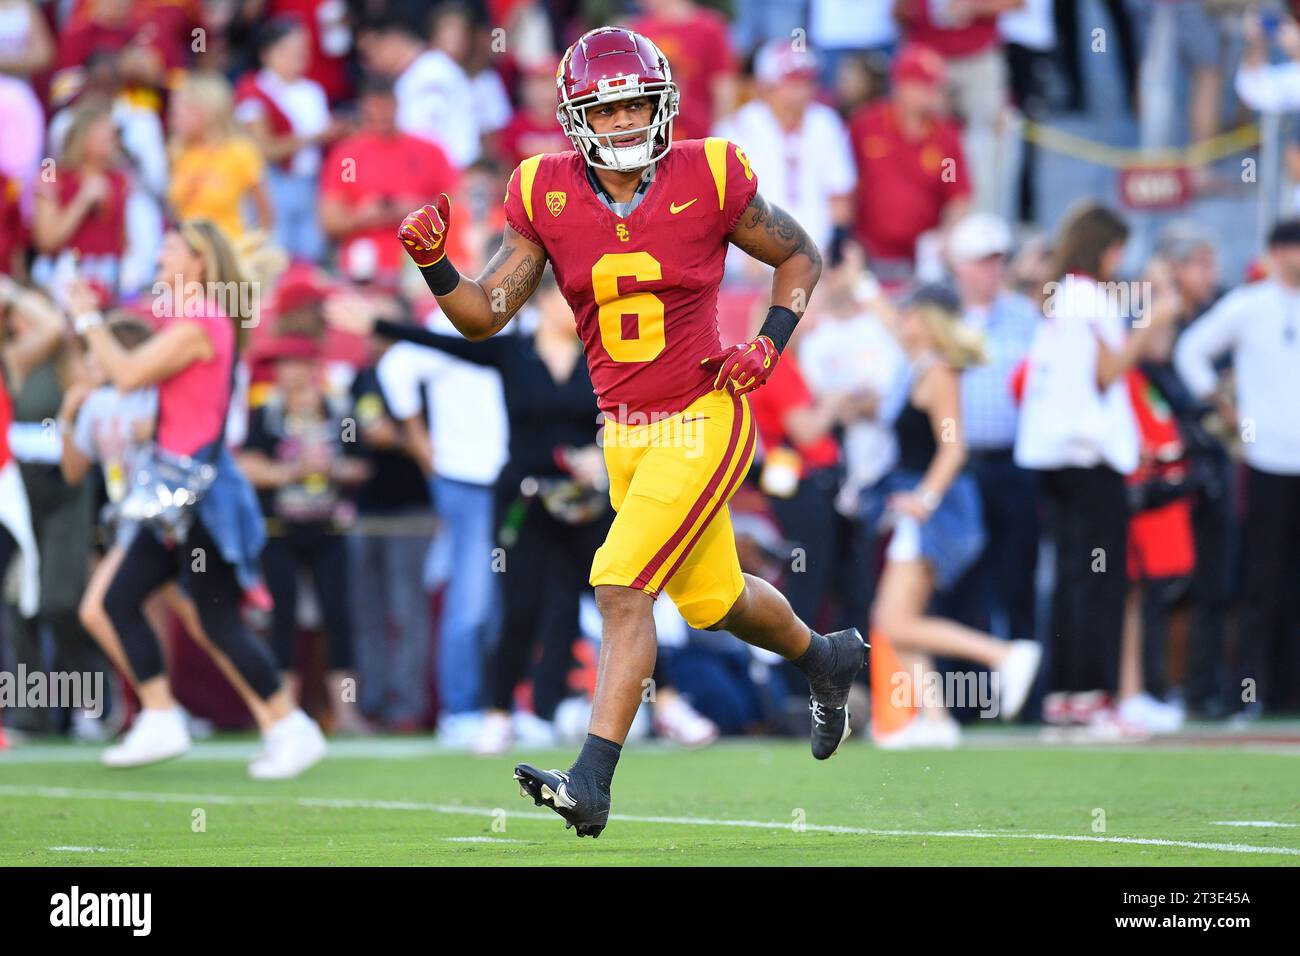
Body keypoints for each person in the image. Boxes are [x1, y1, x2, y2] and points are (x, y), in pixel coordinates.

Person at [395, 26, 863, 837]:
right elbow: (483, 314)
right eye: (605, 112)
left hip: (704, 413)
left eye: (635, 106)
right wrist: (436, 263)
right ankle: (826, 657)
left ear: (663, 104)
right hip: (624, 432)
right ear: (577, 118)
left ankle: (593, 781)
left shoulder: (710, 173)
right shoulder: (542, 191)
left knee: (618, 583)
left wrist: (768, 342)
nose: (621, 124)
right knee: (716, 601)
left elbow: (801, 257)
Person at [72, 220, 326, 777]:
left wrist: (87, 317)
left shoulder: (203, 322)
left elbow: (129, 372)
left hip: (198, 497)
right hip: (174, 496)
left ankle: (270, 725)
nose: (159, 256)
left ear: (198, 263)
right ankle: (249, 724)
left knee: (207, 619)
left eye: (170, 250)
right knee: (159, 609)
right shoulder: (190, 319)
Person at [59, 314, 276, 737]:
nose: (89, 364)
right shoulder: (98, 404)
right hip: (134, 523)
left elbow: (190, 431)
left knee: (203, 620)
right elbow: (73, 472)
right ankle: (165, 710)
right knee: (114, 609)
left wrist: (151, 431)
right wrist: (67, 419)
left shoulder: (154, 393)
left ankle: (263, 711)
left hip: (169, 516)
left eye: (95, 355)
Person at [1015, 202, 1174, 736]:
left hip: (1050, 455)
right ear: (1108, 248)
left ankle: (1064, 696)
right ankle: (1094, 698)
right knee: (1099, 580)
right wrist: (1152, 321)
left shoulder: (1058, 295)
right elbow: (1109, 373)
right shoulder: (1091, 296)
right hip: (1090, 455)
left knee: (1067, 578)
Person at [868, 285, 1040, 748]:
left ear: (926, 320)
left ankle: (1004, 654)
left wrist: (924, 500)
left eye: (909, 315)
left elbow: (954, 445)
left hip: (935, 507)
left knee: (895, 619)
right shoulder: (922, 366)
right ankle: (938, 721)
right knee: (895, 616)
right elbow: (886, 323)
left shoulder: (940, 371)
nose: (902, 322)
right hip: (922, 504)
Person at [1174, 219, 1300, 716]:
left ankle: (1291, 692)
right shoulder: (1249, 306)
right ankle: (1250, 692)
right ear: (1274, 253)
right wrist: (1222, 407)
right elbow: (1191, 351)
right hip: (1265, 457)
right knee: (1259, 583)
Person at [236, 333, 368, 730]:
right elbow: (247, 465)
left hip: (328, 527)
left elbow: (361, 466)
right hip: (280, 528)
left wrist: (330, 469)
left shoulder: (339, 410)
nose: (289, 375)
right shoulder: (266, 413)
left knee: (338, 616)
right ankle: (283, 713)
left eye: (297, 365)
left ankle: (345, 712)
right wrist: (293, 471)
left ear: (313, 369)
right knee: (282, 617)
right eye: (283, 366)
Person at [939, 213, 1039, 649]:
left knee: (1018, 575)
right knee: (964, 578)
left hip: (1014, 461)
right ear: (959, 265)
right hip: (959, 465)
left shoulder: (1025, 317)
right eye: (983, 261)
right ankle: (971, 692)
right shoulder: (938, 316)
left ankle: (1026, 688)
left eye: (998, 260)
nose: (993, 270)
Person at [713, 41, 855, 265]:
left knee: (852, 265)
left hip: (817, 254)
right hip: (752, 259)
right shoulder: (737, 128)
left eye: (806, 82)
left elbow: (839, 194)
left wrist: (835, 249)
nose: (801, 91)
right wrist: (747, 255)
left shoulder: (825, 123)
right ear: (766, 87)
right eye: (791, 83)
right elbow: (725, 204)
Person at [319, 74, 458, 288]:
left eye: (387, 105)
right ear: (363, 108)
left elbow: (458, 204)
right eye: (375, 106)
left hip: (424, 267)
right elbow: (330, 221)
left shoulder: (429, 150)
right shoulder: (347, 156)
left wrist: (418, 209)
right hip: (364, 268)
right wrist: (364, 216)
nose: (382, 113)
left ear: (397, 103)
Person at [848, 44, 970, 284]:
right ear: (903, 86)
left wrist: (945, 237)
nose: (935, 93)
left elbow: (958, 197)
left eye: (936, 86)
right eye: (926, 86)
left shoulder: (946, 137)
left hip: (922, 261)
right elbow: (843, 183)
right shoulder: (866, 126)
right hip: (868, 254)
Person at [234, 16, 338, 263]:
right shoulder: (255, 89)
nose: (299, 56)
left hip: (311, 180)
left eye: (303, 49)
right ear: (268, 53)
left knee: (310, 251)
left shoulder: (313, 91)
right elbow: (265, 148)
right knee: (275, 251)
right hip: (273, 181)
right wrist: (316, 137)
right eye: (290, 50)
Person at [32, 98, 129, 296]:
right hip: (62, 277)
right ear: (83, 136)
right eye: (102, 133)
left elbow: (124, 241)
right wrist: (83, 200)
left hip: (108, 280)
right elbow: (46, 241)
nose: (110, 138)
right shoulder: (52, 175)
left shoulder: (120, 179)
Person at [168, 72, 273, 242]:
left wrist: (250, 251)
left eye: (183, 110)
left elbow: (265, 215)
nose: (175, 117)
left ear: (207, 112)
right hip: (190, 255)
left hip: (229, 253)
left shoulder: (240, 151)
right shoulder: (178, 152)